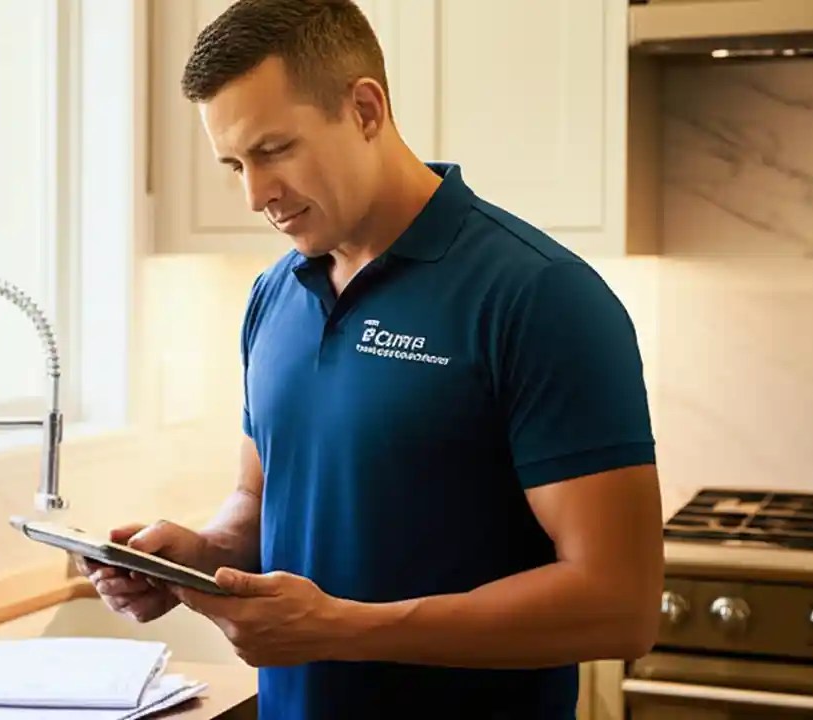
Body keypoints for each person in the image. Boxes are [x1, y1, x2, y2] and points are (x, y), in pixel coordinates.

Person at [75, 0, 664, 717]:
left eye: (273, 150)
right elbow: (263, 502)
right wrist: (197, 557)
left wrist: (343, 628)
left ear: (364, 108)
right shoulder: (273, 296)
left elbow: (620, 603)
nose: (255, 195)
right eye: (234, 164)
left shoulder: (540, 296)